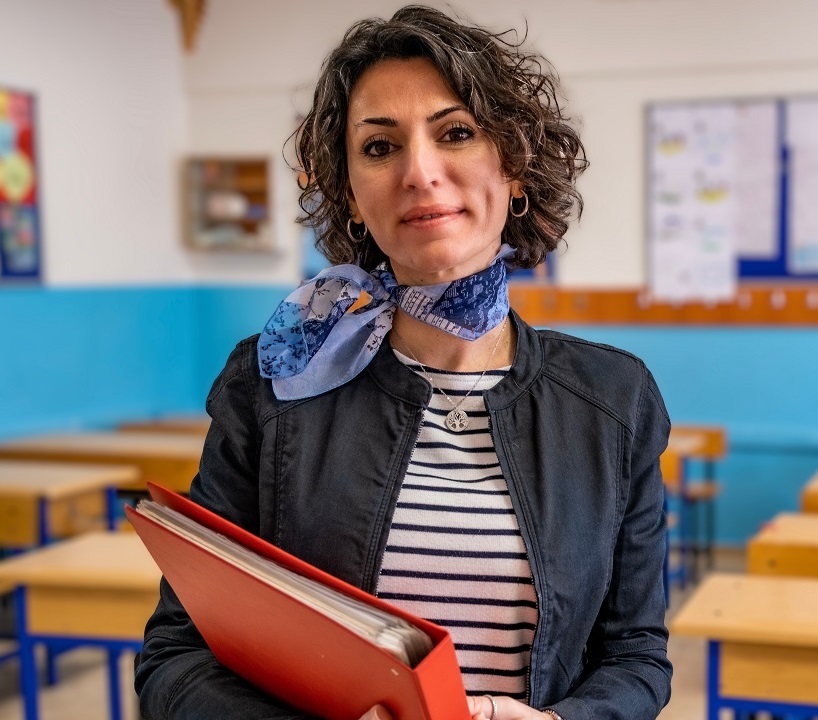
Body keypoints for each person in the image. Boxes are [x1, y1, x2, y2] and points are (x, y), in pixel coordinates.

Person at [135, 6, 673, 720]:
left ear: (513, 168)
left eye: (455, 133)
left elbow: (637, 656)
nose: (420, 172)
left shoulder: (614, 399)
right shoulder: (274, 381)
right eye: (381, 148)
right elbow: (175, 656)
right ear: (353, 197)